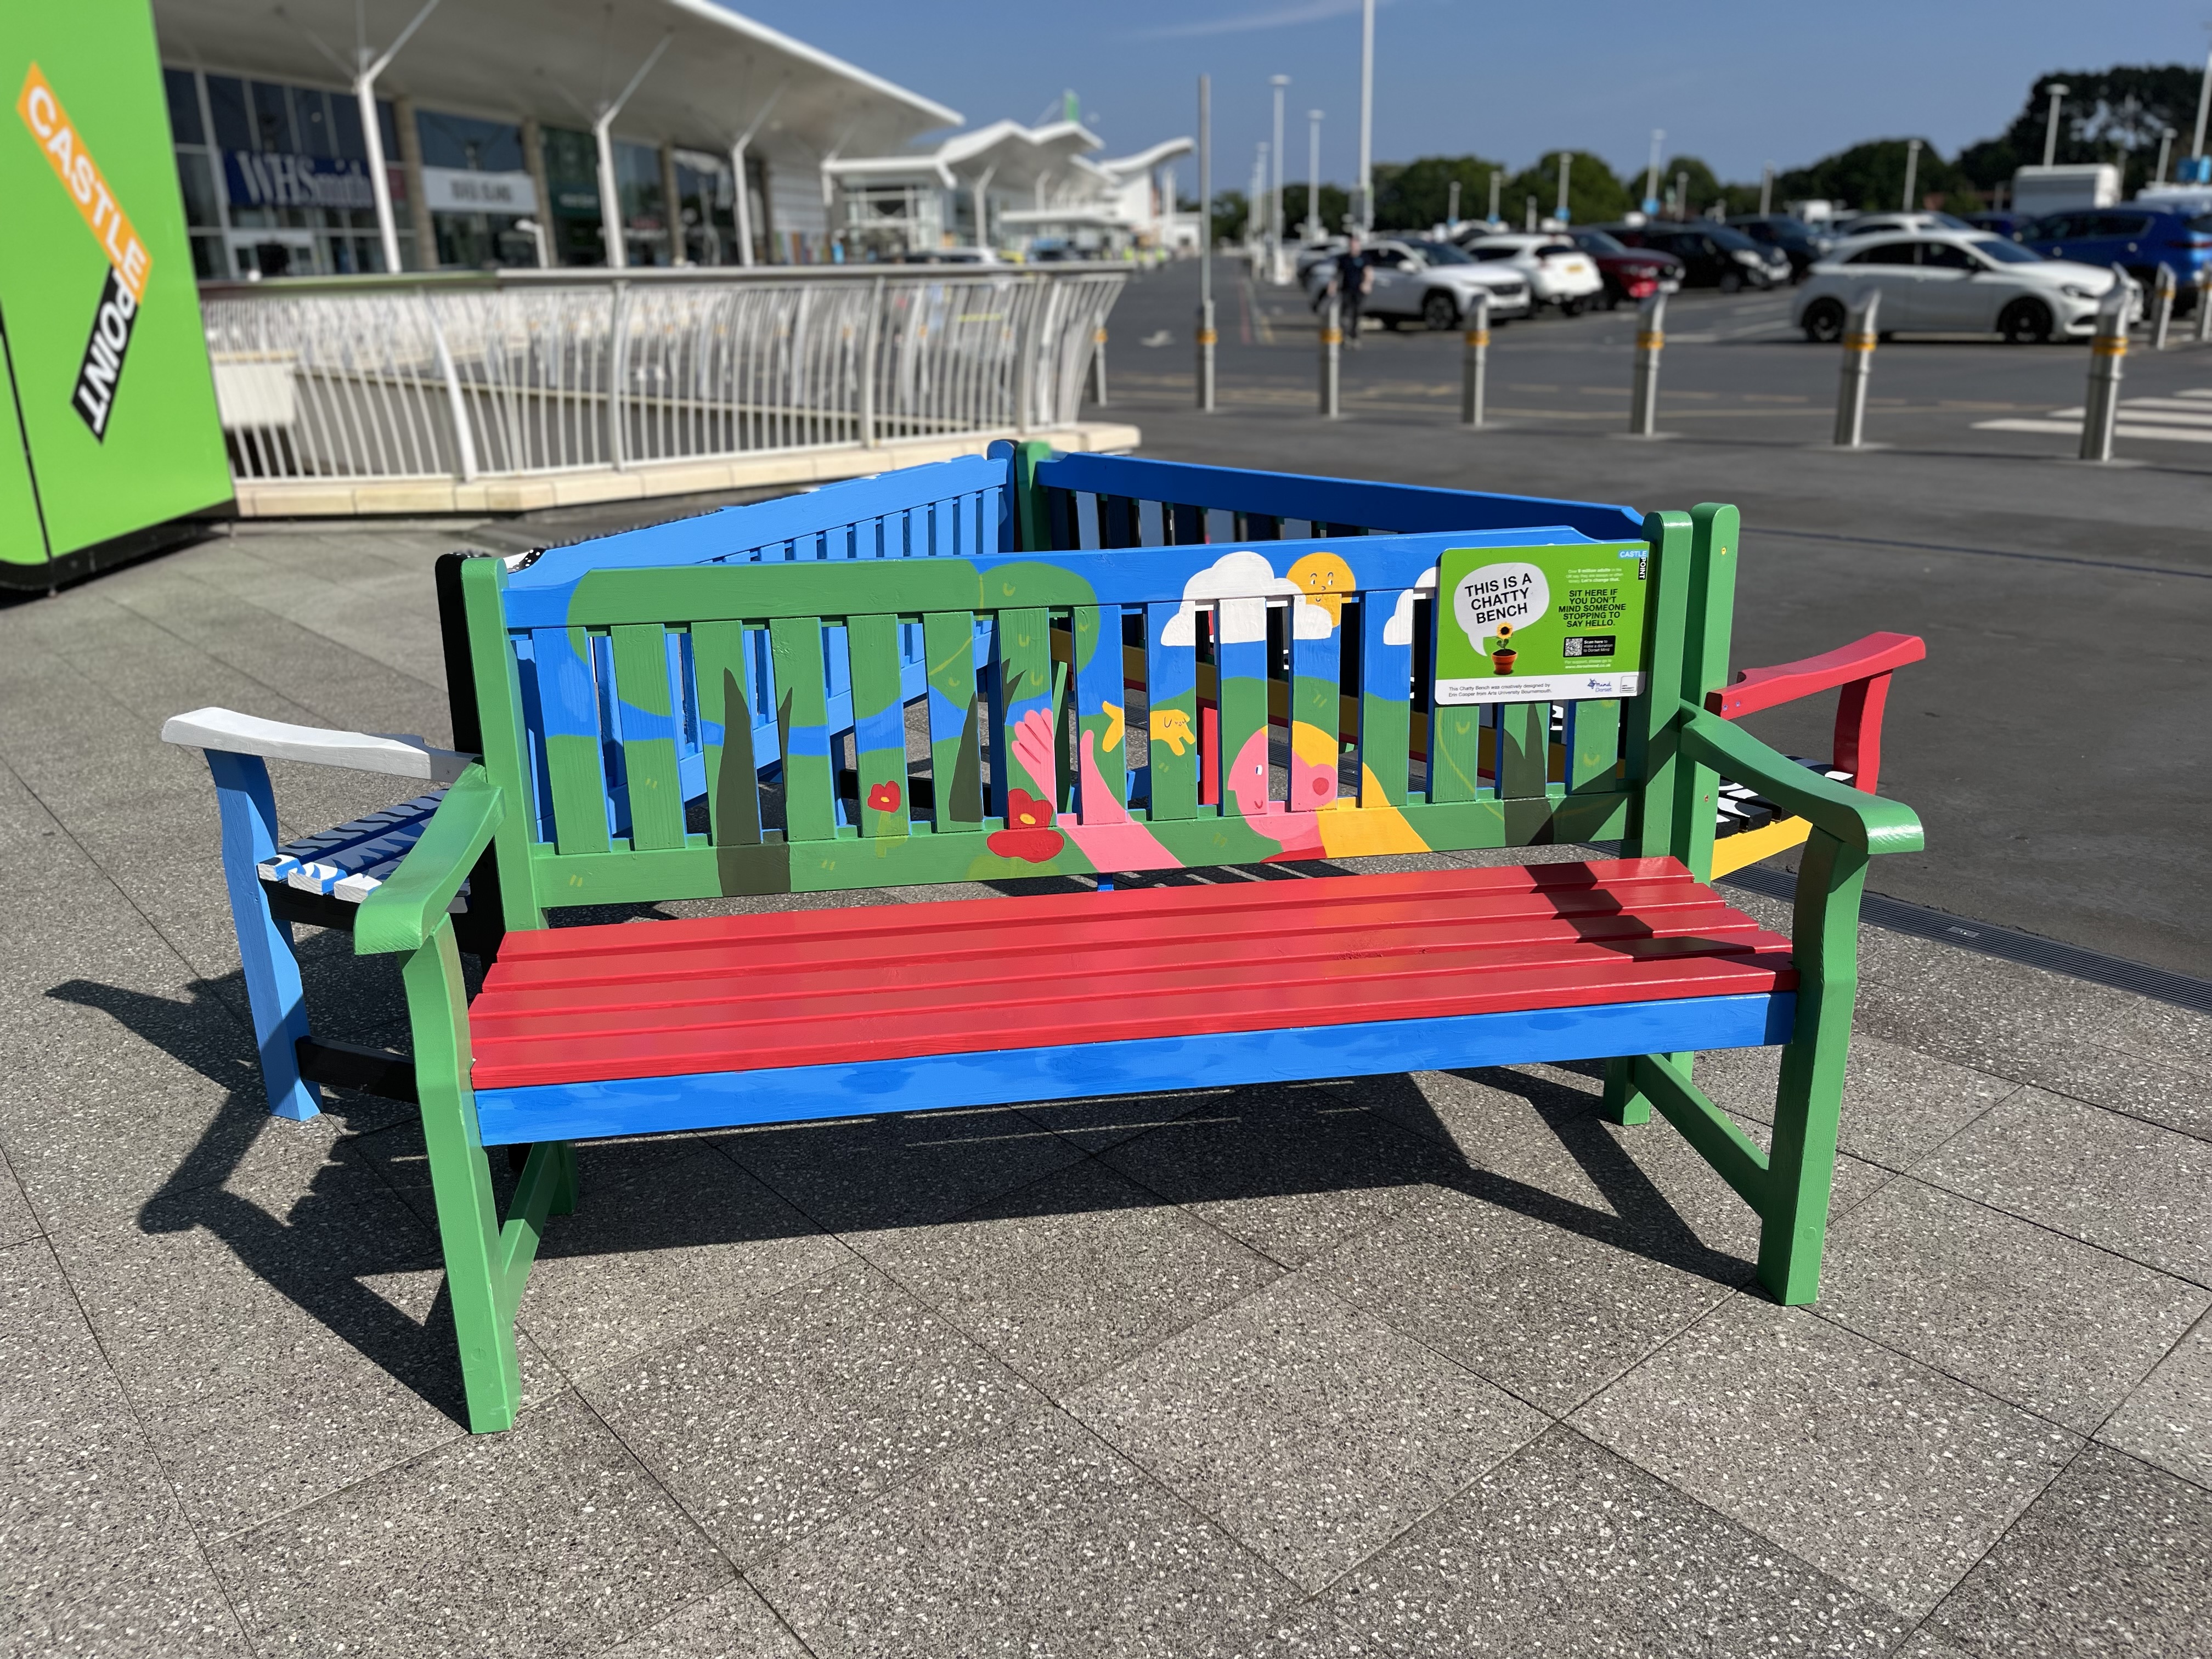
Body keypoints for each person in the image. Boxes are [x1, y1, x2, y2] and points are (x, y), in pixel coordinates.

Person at [1320, 232, 1374, 346]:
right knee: (1345, 315)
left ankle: (1355, 337)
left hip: (1359, 291)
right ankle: (1345, 337)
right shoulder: (1344, 259)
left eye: (1355, 243)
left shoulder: (1364, 258)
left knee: (1357, 315)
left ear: (1359, 244)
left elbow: (1368, 273)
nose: (1353, 246)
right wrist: (1333, 286)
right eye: (1351, 244)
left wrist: (1367, 284)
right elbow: (1337, 275)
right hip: (1346, 290)